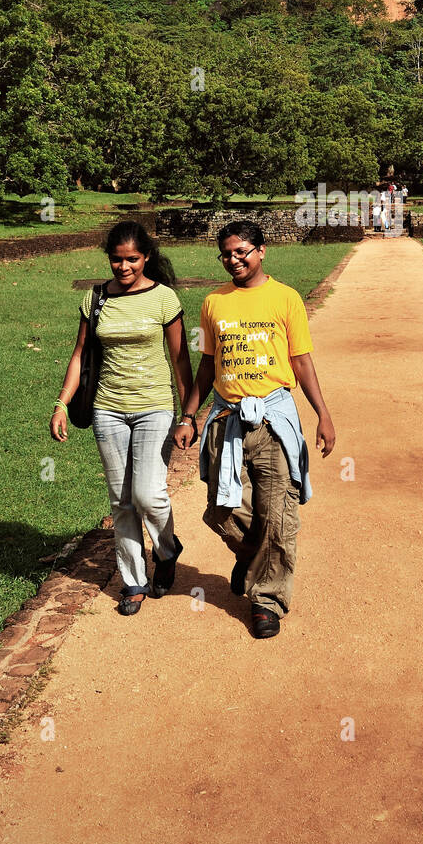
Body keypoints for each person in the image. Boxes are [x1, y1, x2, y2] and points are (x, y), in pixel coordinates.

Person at [181, 220, 335, 638]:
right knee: (222, 509)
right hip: (227, 419)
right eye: (226, 254)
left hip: (272, 420)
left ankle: (267, 600)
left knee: (278, 515)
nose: (234, 260)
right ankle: (252, 556)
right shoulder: (214, 302)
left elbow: (301, 361)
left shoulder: (285, 299)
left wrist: (322, 413)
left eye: (242, 251)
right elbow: (208, 364)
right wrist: (188, 416)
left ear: (262, 251)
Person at [50, 222, 195, 616]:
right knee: (121, 500)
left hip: (154, 407)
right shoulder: (95, 298)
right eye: (117, 259)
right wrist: (62, 403)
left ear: (146, 257)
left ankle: (167, 550)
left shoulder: (164, 299)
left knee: (147, 494)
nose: (124, 266)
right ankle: (133, 580)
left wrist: (189, 414)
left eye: (132, 259)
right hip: (108, 409)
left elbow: (181, 360)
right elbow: (80, 354)